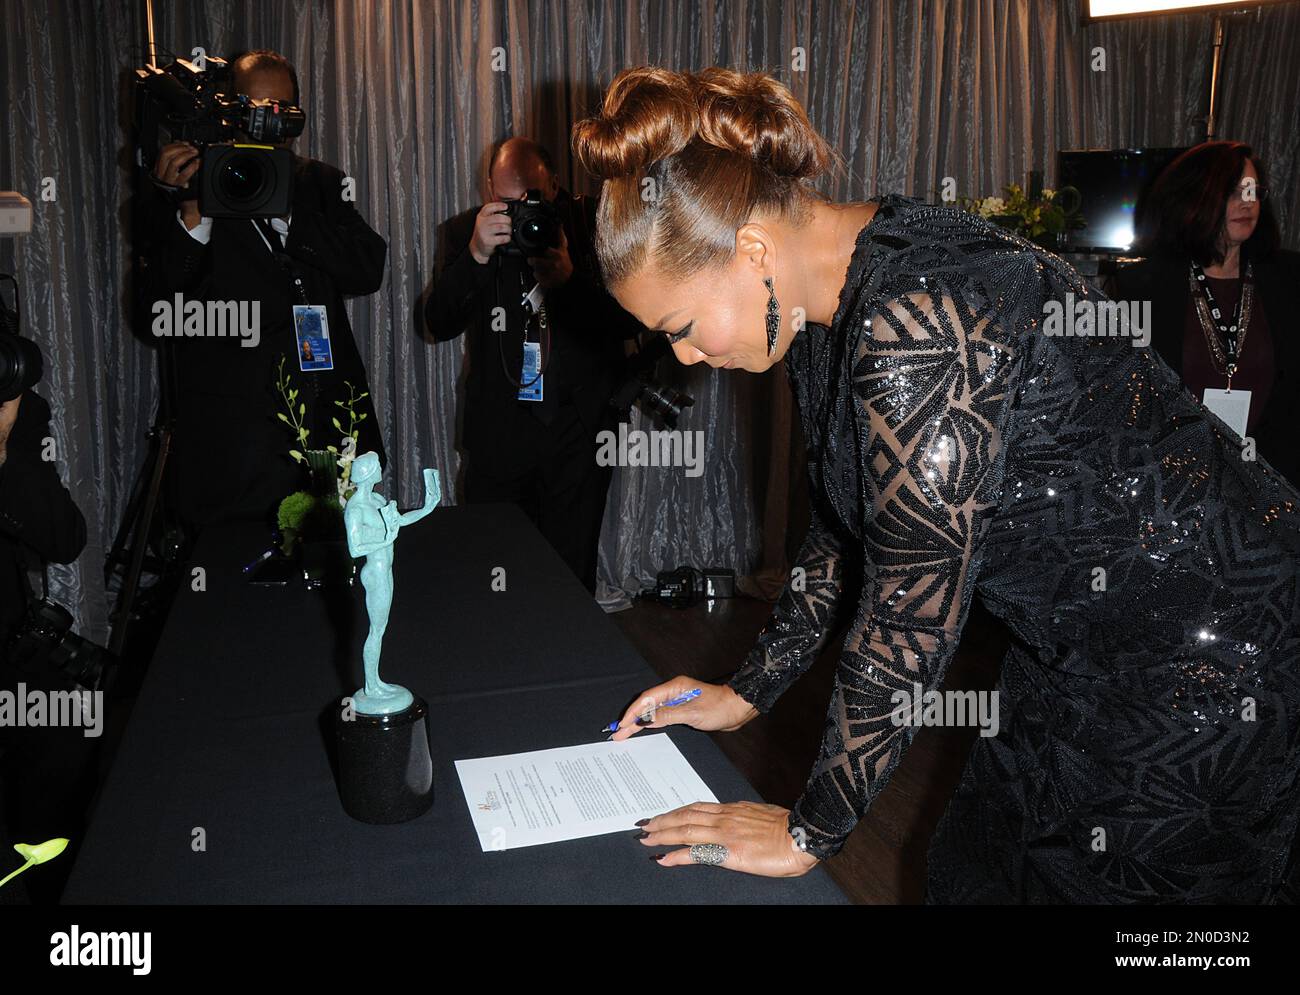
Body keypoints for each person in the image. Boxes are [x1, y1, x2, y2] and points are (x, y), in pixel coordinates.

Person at [575, 66, 1300, 902]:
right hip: (1077, 641)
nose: (686, 357)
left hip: (1216, 644)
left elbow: (910, 611)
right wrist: (744, 693)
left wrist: (810, 829)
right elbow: (845, 528)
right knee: (977, 871)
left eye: (681, 327)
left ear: (753, 251)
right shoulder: (827, 302)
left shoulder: (916, 319)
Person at [143, 49, 387, 535]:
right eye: (256, 110)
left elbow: (367, 269)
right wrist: (192, 218)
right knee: (238, 570)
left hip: (329, 423)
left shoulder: (320, 182)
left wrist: (290, 217)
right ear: (228, 110)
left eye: (284, 111)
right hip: (239, 441)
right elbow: (160, 316)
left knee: (337, 561)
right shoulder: (188, 184)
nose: (270, 125)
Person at [425, 137, 643, 593]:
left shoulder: (593, 226)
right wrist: (476, 256)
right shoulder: (465, 231)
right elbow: (436, 322)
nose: (519, 213)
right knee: (493, 565)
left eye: (531, 199)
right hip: (500, 427)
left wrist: (570, 281)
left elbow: (631, 321)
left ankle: (568, 638)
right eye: (506, 202)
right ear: (489, 188)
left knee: (570, 571)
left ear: (555, 186)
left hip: (578, 429)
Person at [1108, 141, 1300, 487]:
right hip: (1175, 483)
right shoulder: (1141, 285)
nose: (1247, 202)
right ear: (1195, 198)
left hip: (1274, 484)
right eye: (1233, 191)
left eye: (1253, 190)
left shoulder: (1289, 277)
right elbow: (1123, 400)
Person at [0, 388, 88, 903]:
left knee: (62, 750)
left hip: (9, 641)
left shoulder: (17, 411)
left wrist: (3, 451)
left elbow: (63, 538)